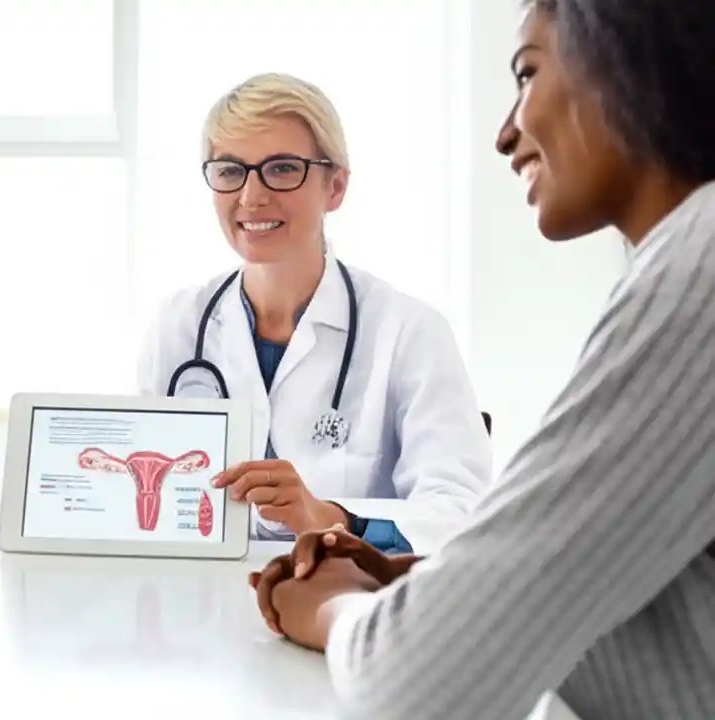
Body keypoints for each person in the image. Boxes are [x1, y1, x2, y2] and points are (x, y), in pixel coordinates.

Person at [251, 1, 715, 718]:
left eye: (528, 74)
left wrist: (330, 604)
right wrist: (431, 587)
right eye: (229, 170)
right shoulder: (682, 265)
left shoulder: (701, 267)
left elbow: (416, 682)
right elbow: (640, 597)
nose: (506, 134)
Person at [138, 73, 491, 553]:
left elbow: (458, 509)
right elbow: (137, 499)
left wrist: (331, 518)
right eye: (229, 170)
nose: (251, 196)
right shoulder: (178, 327)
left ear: (336, 187)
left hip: (350, 605)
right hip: (197, 604)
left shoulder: (409, 332)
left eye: (282, 169)